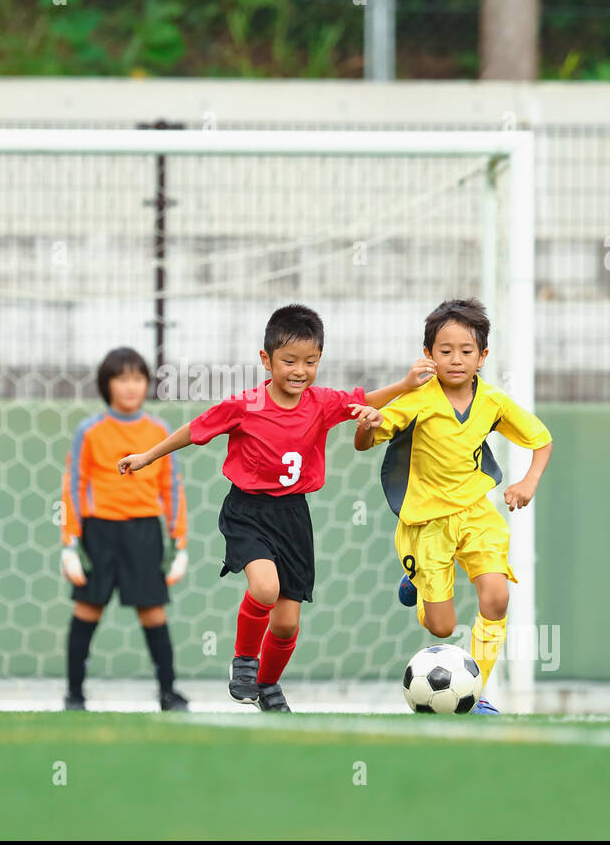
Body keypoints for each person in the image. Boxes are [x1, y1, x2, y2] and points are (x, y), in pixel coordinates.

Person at [118, 303, 426, 712]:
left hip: (294, 516)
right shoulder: (244, 405)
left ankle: (268, 686)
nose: (300, 370)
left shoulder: (320, 402)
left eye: (311, 361)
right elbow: (195, 430)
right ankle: (244, 661)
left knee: (286, 622)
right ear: (266, 360)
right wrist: (147, 456)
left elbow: (362, 401)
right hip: (248, 511)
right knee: (264, 588)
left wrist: (405, 384)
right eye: (290, 361)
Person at [354, 298, 552, 714]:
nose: (456, 360)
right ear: (428, 355)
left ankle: (474, 692)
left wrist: (528, 483)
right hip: (425, 524)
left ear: (483, 356)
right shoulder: (416, 399)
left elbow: (541, 439)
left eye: (466, 351)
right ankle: (417, 587)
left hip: (477, 514)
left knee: (496, 599)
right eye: (445, 351)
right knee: (442, 626)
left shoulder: (494, 401)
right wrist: (366, 425)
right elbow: (366, 440)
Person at [60, 347, 190, 712]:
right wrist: (70, 543)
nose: (131, 386)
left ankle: (168, 692)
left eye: (138, 378)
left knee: (154, 613)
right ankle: (74, 694)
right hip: (98, 533)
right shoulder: (90, 430)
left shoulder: (160, 431)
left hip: (145, 534)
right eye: (122, 378)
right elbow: (72, 484)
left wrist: (180, 545)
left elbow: (172, 488)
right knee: (87, 611)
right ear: (107, 385)